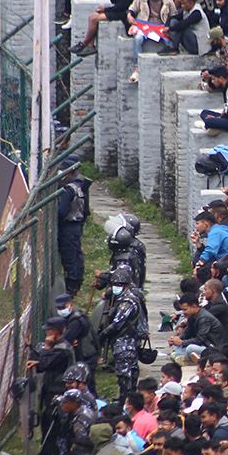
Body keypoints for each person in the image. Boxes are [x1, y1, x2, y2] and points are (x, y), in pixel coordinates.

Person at [94, 263, 148, 408]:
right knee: (128, 372)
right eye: (114, 284)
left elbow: (117, 323)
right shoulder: (123, 296)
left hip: (126, 342)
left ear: (125, 285)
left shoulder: (127, 302)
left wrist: (101, 336)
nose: (115, 287)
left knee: (125, 374)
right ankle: (126, 398)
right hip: (125, 341)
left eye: (118, 284)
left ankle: (126, 401)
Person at [55, 161, 91, 297]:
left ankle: (72, 285)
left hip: (69, 226)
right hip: (76, 225)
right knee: (76, 254)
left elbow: (62, 211)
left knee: (70, 255)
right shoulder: (79, 185)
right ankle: (75, 281)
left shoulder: (69, 189)